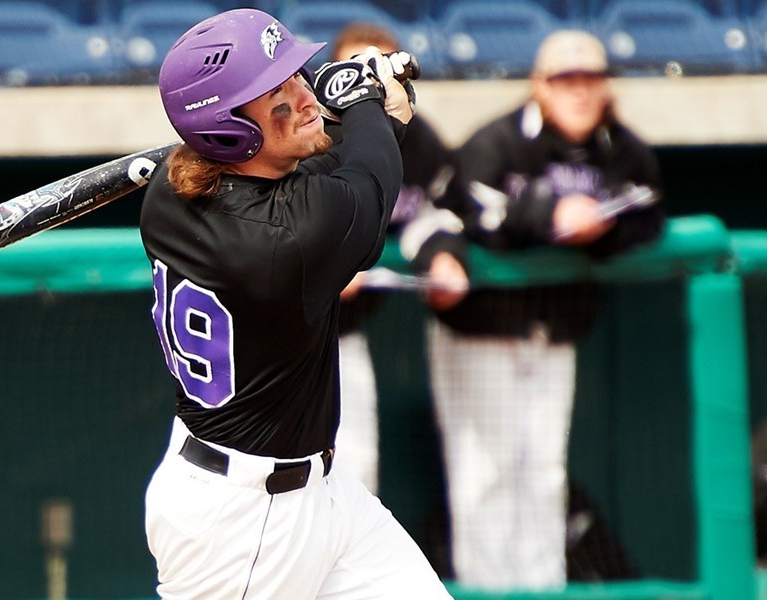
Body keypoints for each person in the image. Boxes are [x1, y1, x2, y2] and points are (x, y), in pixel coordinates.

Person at [138, 8, 453, 599]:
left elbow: (332, 171)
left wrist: (354, 107)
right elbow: (368, 183)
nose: (304, 97)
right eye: (276, 95)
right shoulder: (286, 239)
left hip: (321, 492)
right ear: (230, 133)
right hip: (241, 526)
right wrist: (366, 103)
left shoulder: (170, 192)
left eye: (296, 78)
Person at [400, 29, 665, 589]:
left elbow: (650, 210)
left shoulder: (619, 147)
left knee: (545, 477)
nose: (579, 92)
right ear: (539, 88)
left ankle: (543, 591)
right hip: (481, 334)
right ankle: (491, 591)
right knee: (486, 479)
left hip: (555, 331)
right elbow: (463, 210)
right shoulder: (497, 141)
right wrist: (550, 214)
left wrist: (600, 231)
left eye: (590, 79)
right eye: (565, 81)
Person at [328, 22, 456, 495]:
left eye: (380, 68)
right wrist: (323, 270)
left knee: (359, 466)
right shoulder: (314, 134)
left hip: (348, 331)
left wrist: (443, 253)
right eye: (356, 68)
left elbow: (446, 211)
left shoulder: (418, 140)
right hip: (287, 334)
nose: (370, 79)